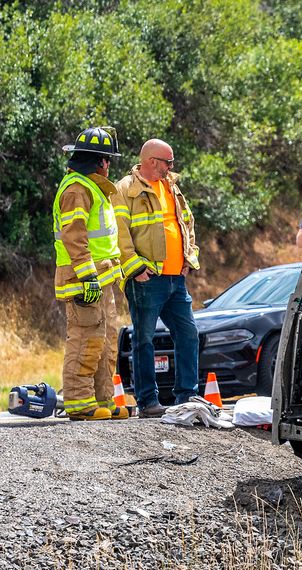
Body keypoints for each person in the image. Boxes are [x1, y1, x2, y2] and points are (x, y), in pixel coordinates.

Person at [113, 138, 202, 417]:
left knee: (188, 334)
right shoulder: (125, 189)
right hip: (146, 280)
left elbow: (187, 223)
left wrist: (189, 257)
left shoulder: (171, 186)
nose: (171, 167)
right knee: (144, 340)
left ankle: (187, 396)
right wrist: (136, 268)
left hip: (176, 279)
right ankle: (148, 402)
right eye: (168, 162)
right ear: (152, 161)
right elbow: (120, 235)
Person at [52, 126, 125, 421]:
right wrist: (87, 276)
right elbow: (74, 236)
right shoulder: (76, 190)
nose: (109, 166)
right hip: (83, 281)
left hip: (101, 280)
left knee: (105, 342)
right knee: (85, 340)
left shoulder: (92, 188)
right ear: (101, 162)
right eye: (108, 160)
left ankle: (102, 400)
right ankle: (79, 402)